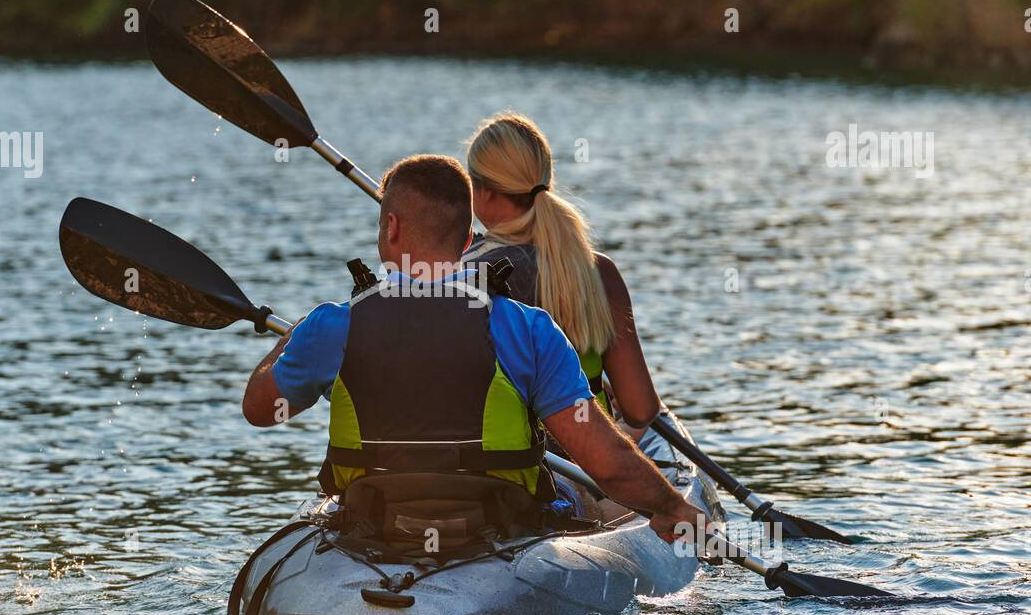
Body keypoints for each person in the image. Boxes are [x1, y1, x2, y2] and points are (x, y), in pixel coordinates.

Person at [242, 154, 707, 544]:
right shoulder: (528, 328)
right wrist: (670, 506)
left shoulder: (331, 326)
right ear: (468, 241)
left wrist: (288, 341)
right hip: (496, 526)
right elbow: (606, 465)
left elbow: (261, 410)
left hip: (374, 524)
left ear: (391, 226)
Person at [461, 112, 726, 520]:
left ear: (484, 193)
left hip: (495, 469)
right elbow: (640, 411)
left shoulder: (461, 277)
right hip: (584, 465)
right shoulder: (598, 271)